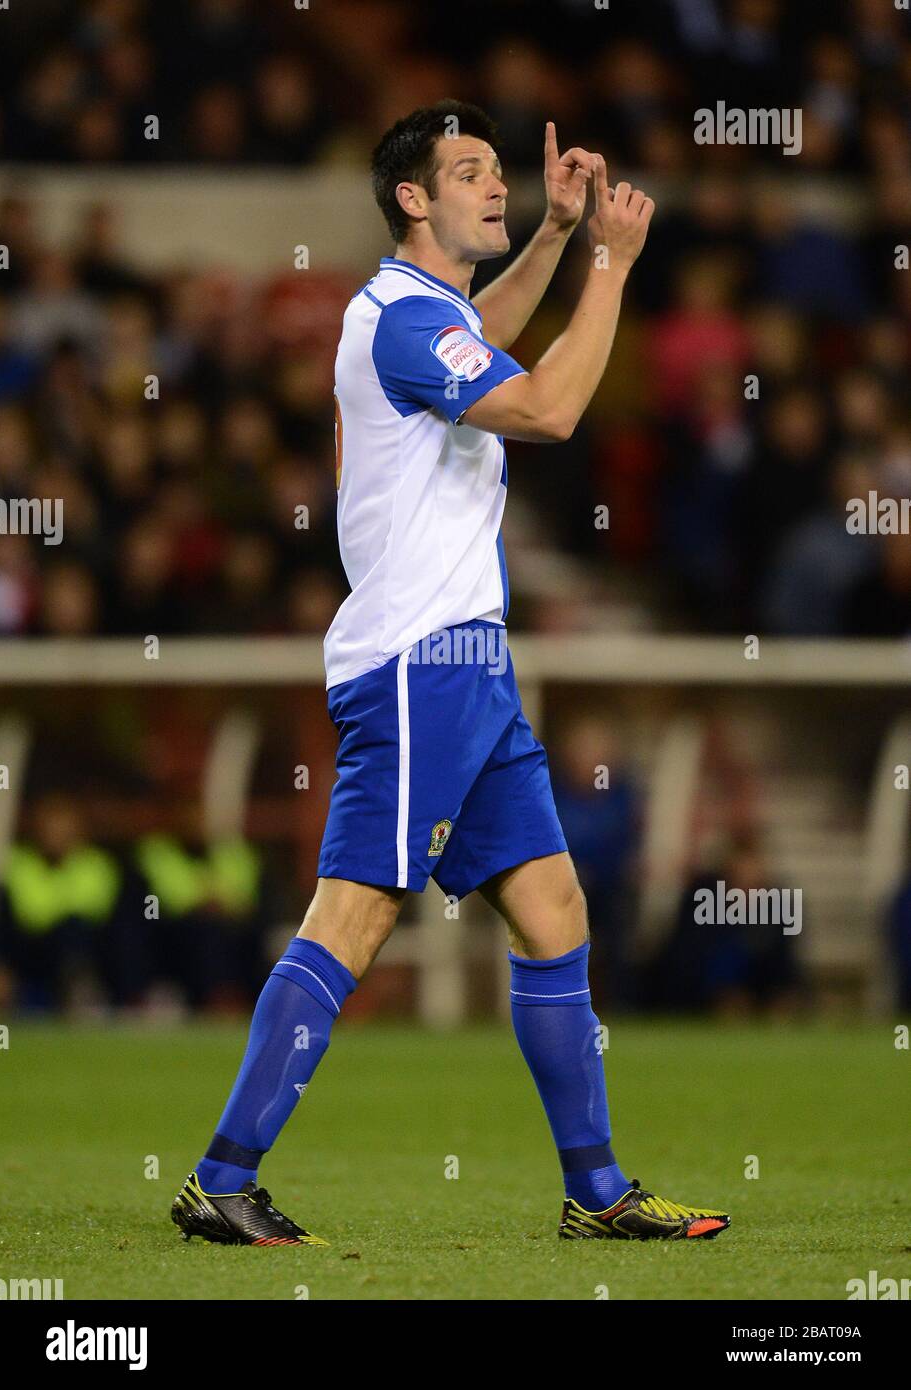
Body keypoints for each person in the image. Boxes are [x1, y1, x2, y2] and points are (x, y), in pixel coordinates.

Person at [171, 101, 729, 1246]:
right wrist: (611, 266)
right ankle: (221, 1178)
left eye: (496, 171)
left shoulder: (431, 314)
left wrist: (560, 239)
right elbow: (552, 406)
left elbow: (492, 329)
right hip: (421, 668)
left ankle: (597, 1191)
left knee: (554, 910)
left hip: (471, 669)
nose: (497, 185)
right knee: (357, 916)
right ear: (412, 199)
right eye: (469, 172)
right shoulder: (400, 323)